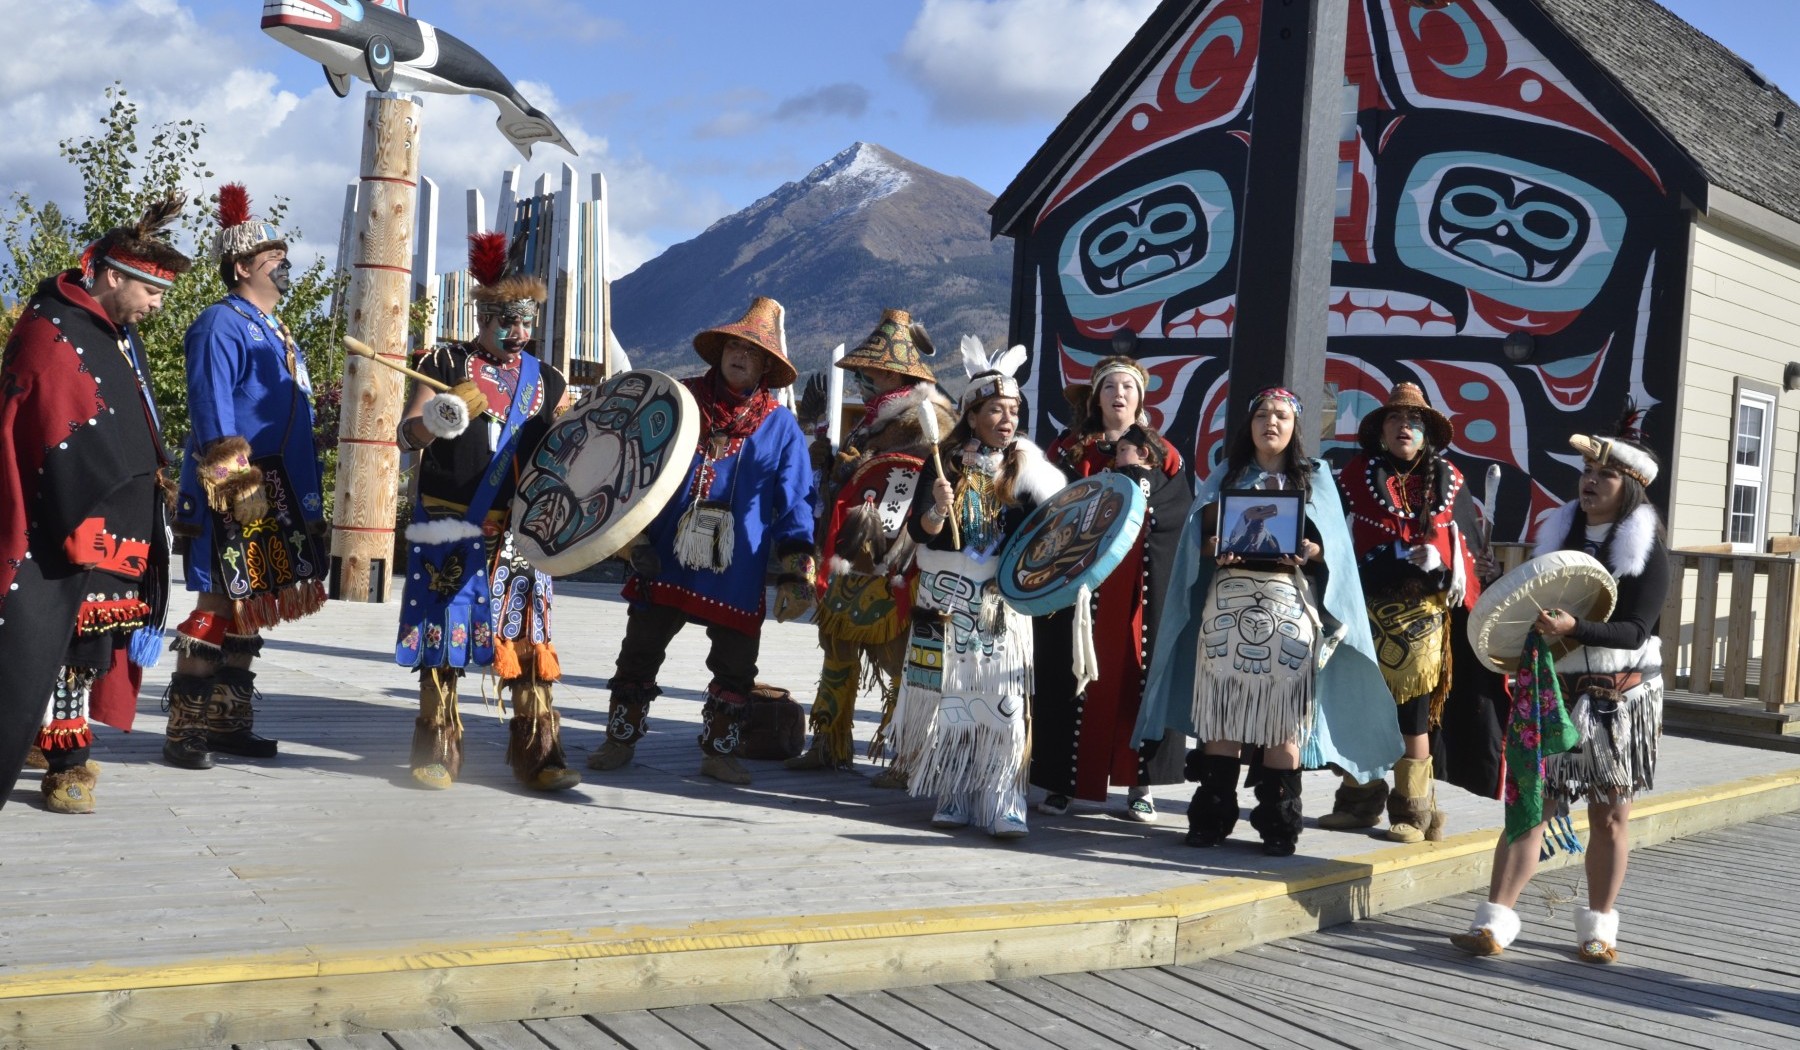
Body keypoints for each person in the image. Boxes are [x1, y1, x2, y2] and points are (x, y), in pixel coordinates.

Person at [1135, 388, 1402, 855]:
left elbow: (1332, 551)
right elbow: (1193, 551)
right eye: (1261, 414)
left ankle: (1279, 823)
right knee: (1222, 716)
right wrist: (1216, 546)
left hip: (1288, 608)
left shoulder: (1315, 479)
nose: (1270, 423)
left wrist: (1313, 552)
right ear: (1249, 425)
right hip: (1227, 608)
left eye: (1281, 416)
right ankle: (1212, 818)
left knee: (1283, 722)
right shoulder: (1226, 476)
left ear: (1295, 426)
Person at [1452, 409, 1669, 963]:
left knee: (1610, 813)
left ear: (1632, 487)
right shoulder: (1558, 538)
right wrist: (1497, 587)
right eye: (1586, 470)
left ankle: (1599, 929)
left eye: (1606, 474)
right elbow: (1533, 616)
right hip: (1559, 694)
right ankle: (1493, 923)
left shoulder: (1646, 550)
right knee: (1533, 802)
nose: (1590, 480)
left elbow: (1636, 629)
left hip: (1621, 696)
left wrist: (1576, 627)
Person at [0, 195, 193, 812]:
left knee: (89, 643)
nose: (156, 306)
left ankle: (45, 738)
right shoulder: (51, 330)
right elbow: (47, 426)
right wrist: (76, 504)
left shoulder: (112, 330)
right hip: (60, 517)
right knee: (64, 642)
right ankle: (67, 766)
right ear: (113, 277)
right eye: (151, 293)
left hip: (113, 519)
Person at [589, 297, 816, 785]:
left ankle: (719, 751)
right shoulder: (679, 400)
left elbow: (796, 499)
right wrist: (632, 537)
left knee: (736, 662)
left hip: (739, 563)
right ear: (719, 353)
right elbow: (629, 461)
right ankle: (619, 739)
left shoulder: (781, 427)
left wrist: (799, 569)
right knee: (640, 648)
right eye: (733, 346)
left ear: (765, 366)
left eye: (750, 351)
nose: (739, 355)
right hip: (665, 550)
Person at [394, 232, 579, 792]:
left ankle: (539, 755)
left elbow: (563, 451)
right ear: (485, 315)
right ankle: (437, 751)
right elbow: (407, 436)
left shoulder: (547, 381)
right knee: (442, 639)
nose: (519, 332)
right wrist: (442, 416)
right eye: (508, 320)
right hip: (450, 520)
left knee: (527, 645)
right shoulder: (443, 359)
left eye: (526, 322)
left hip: (520, 533)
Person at [167, 184, 330, 771]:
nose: (285, 268)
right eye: (274, 260)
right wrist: (238, 488)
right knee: (217, 600)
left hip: (278, 490)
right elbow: (213, 409)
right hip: (233, 489)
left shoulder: (278, 331)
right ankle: (186, 729)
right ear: (241, 266)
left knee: (249, 606)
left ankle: (227, 723)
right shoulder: (220, 323)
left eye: (285, 259)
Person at [887, 338, 1066, 838]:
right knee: (953, 695)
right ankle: (955, 793)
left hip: (998, 599)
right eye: (995, 410)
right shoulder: (941, 463)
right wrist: (937, 509)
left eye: (1013, 411)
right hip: (944, 594)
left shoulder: (1027, 468)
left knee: (1004, 697)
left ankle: (1004, 797)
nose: (1007, 420)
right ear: (971, 414)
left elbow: (1052, 532)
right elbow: (919, 531)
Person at [787, 308, 956, 777]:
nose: (864, 377)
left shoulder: (930, 421)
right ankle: (828, 740)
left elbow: (918, 481)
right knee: (837, 650)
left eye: (873, 370)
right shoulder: (875, 419)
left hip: (898, 557)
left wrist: (855, 468)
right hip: (854, 552)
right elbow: (849, 479)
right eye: (863, 370)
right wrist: (825, 445)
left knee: (900, 660)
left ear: (897, 373)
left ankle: (908, 754)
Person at [1029, 356, 1191, 821]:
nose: (1119, 395)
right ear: (1095, 398)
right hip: (1074, 589)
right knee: (1066, 680)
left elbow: (1176, 517)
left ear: (1140, 398)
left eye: (1128, 387)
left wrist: (1138, 501)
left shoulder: (1164, 454)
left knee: (1135, 681)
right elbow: (1047, 511)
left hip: (1137, 588)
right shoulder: (1066, 451)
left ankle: (1140, 786)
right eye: (1109, 387)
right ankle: (1060, 783)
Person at [1321, 382, 1482, 842]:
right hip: (1365, 606)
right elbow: (1336, 537)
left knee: (1413, 711)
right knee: (1362, 703)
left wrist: (1441, 558)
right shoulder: (1354, 476)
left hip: (1425, 613)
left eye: (1413, 421)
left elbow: (1466, 545)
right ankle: (1358, 801)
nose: (1404, 427)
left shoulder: (1450, 479)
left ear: (1426, 432)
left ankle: (1414, 809)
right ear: (1382, 430)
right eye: (1395, 419)